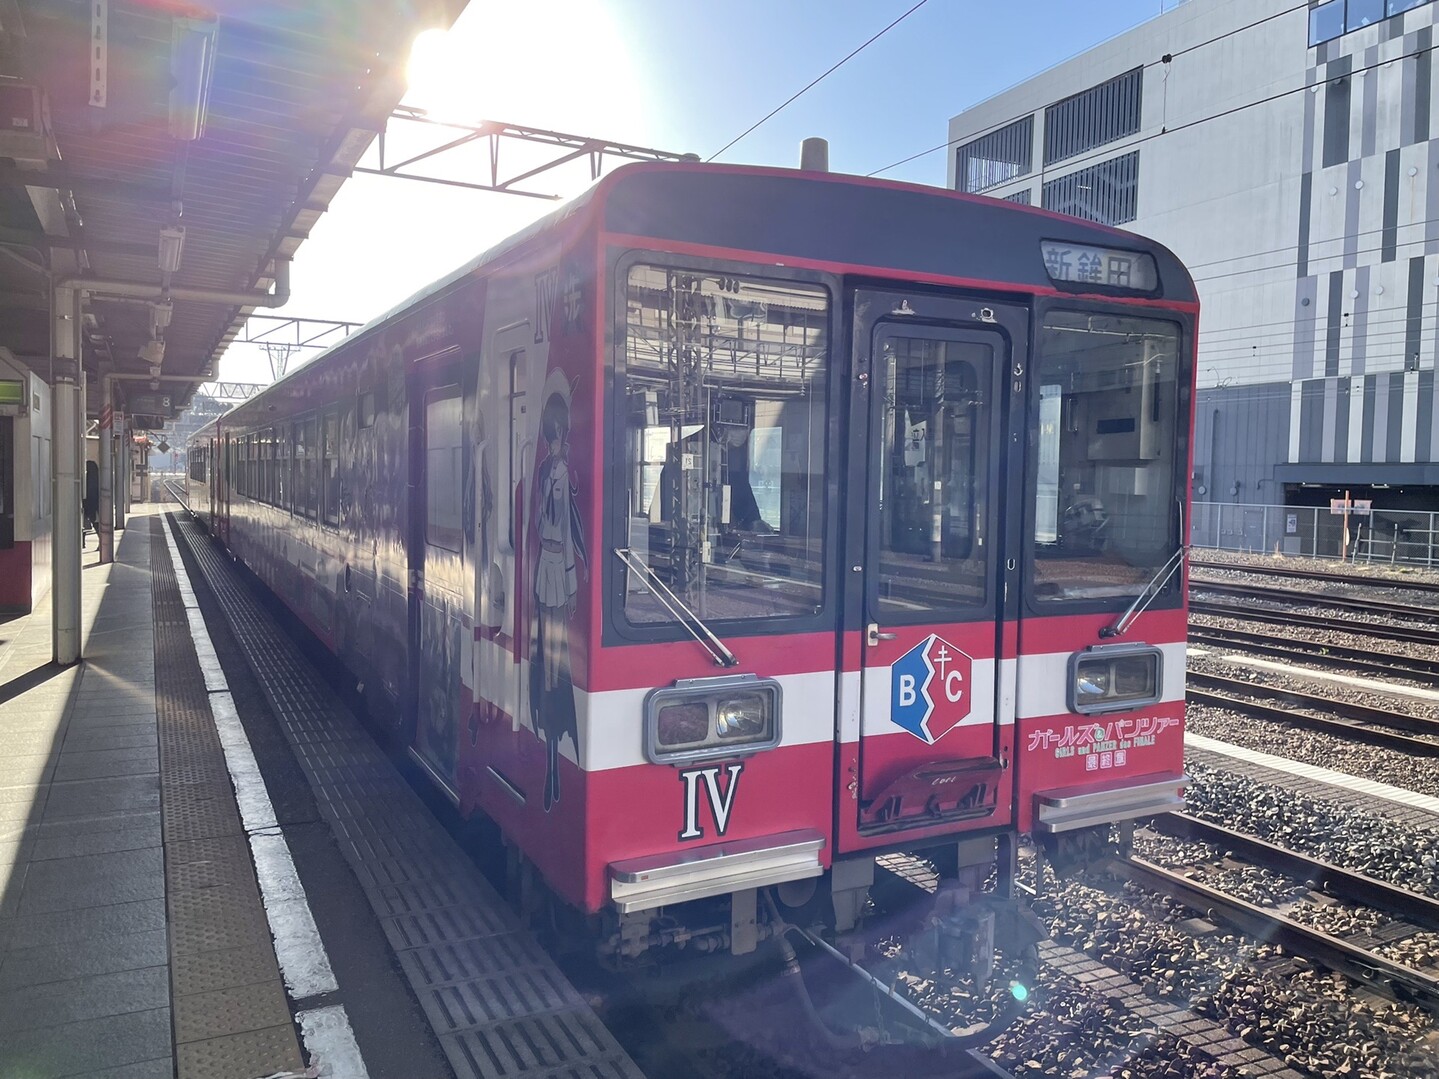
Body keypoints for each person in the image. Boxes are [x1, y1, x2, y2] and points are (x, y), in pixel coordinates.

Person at [82, 459, 99, 547]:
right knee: (95, 523)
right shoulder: (97, 479)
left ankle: (82, 542)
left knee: (83, 523)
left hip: (86, 503)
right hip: (94, 504)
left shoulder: (86, 479)